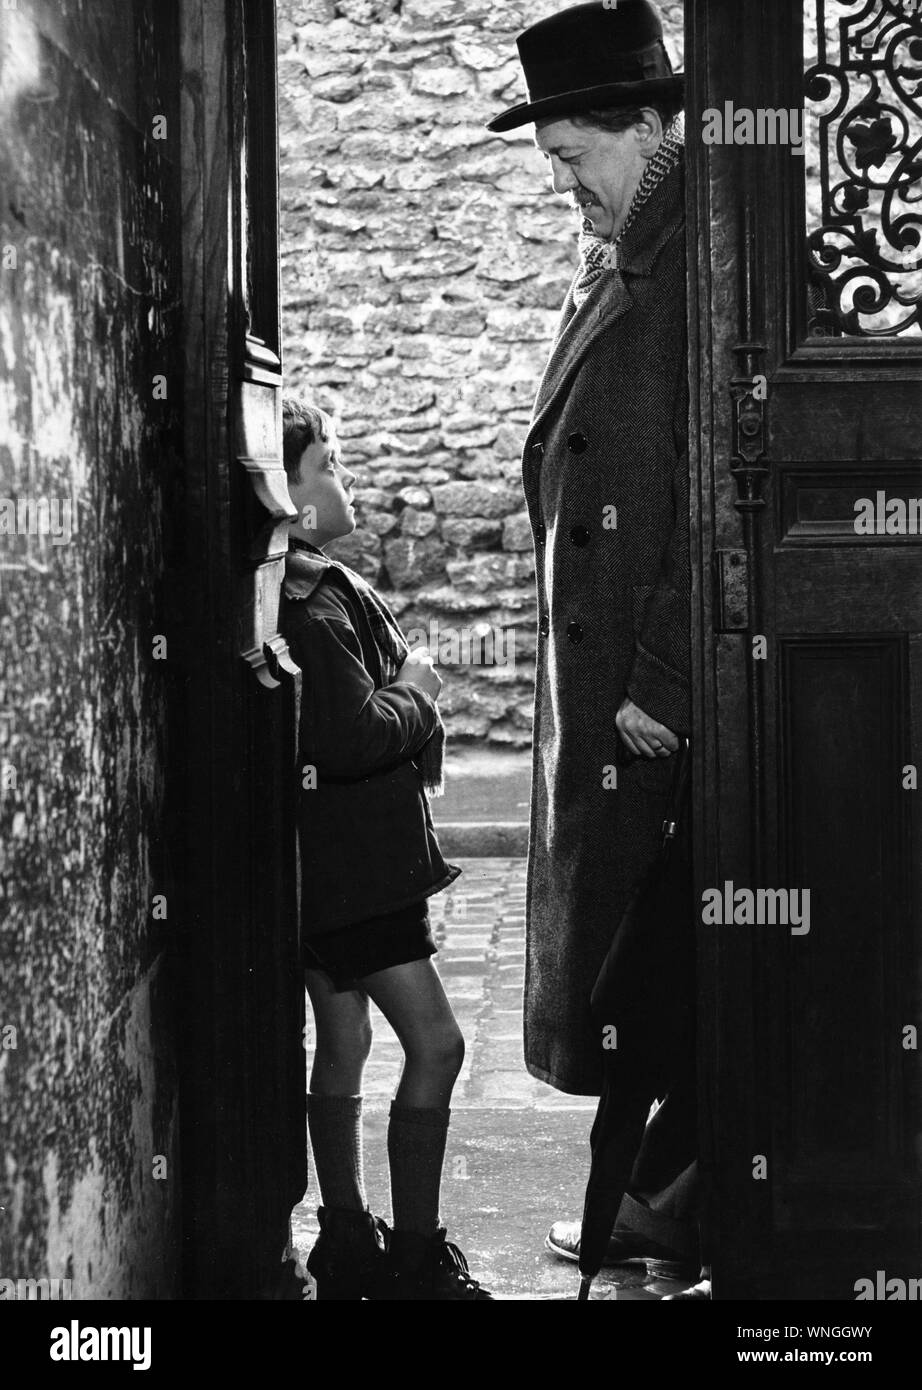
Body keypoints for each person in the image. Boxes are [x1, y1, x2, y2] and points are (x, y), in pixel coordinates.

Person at [487, 0, 709, 1298]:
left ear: (647, 126)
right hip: (615, 684)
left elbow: (722, 483)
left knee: (667, 951)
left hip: (645, 700)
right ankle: (658, 1198)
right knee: (651, 949)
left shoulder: (695, 253)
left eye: (575, 160)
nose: (566, 190)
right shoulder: (646, 240)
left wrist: (663, 681)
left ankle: (670, 1200)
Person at [279, 398, 492, 1301]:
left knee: (343, 1039)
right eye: (327, 463)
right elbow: (353, 736)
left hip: (325, 873)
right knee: (437, 1045)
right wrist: (418, 692)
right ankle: (414, 1257)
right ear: (286, 495)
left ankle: (344, 1237)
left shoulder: (302, 584)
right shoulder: (312, 603)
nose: (344, 476)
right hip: (362, 876)